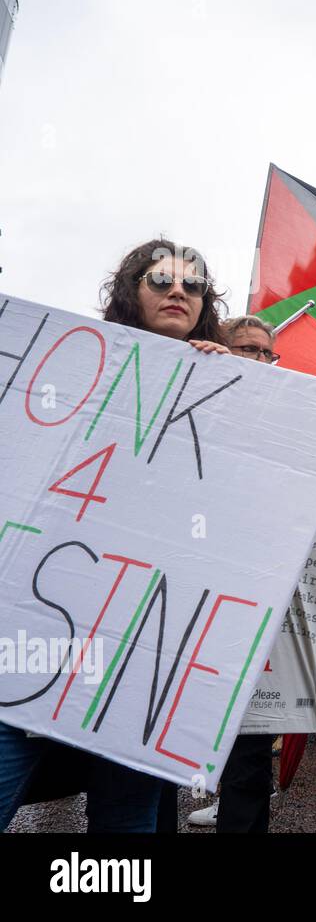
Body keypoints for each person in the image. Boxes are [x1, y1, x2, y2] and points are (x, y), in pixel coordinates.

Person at [0, 239, 230, 833]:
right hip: (39, 634)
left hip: (141, 654)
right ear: (131, 291)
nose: (178, 290)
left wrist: (225, 386)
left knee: (127, 822)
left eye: (193, 285)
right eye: (160, 280)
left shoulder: (225, 388)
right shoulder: (77, 363)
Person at [187, 315, 281, 833]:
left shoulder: (289, 417)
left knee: (250, 745)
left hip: (253, 602)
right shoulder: (196, 393)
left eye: (266, 353)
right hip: (189, 593)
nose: (259, 361)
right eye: (246, 350)